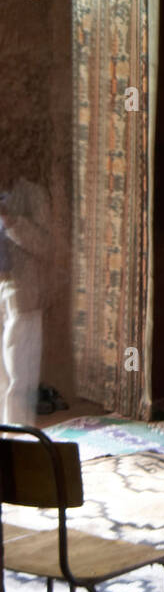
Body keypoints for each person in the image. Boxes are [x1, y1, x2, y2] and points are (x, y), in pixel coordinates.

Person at [0, 175, 51, 427]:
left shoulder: (33, 195)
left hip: (21, 292)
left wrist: (10, 220)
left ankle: (17, 441)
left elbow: (45, 246)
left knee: (19, 377)